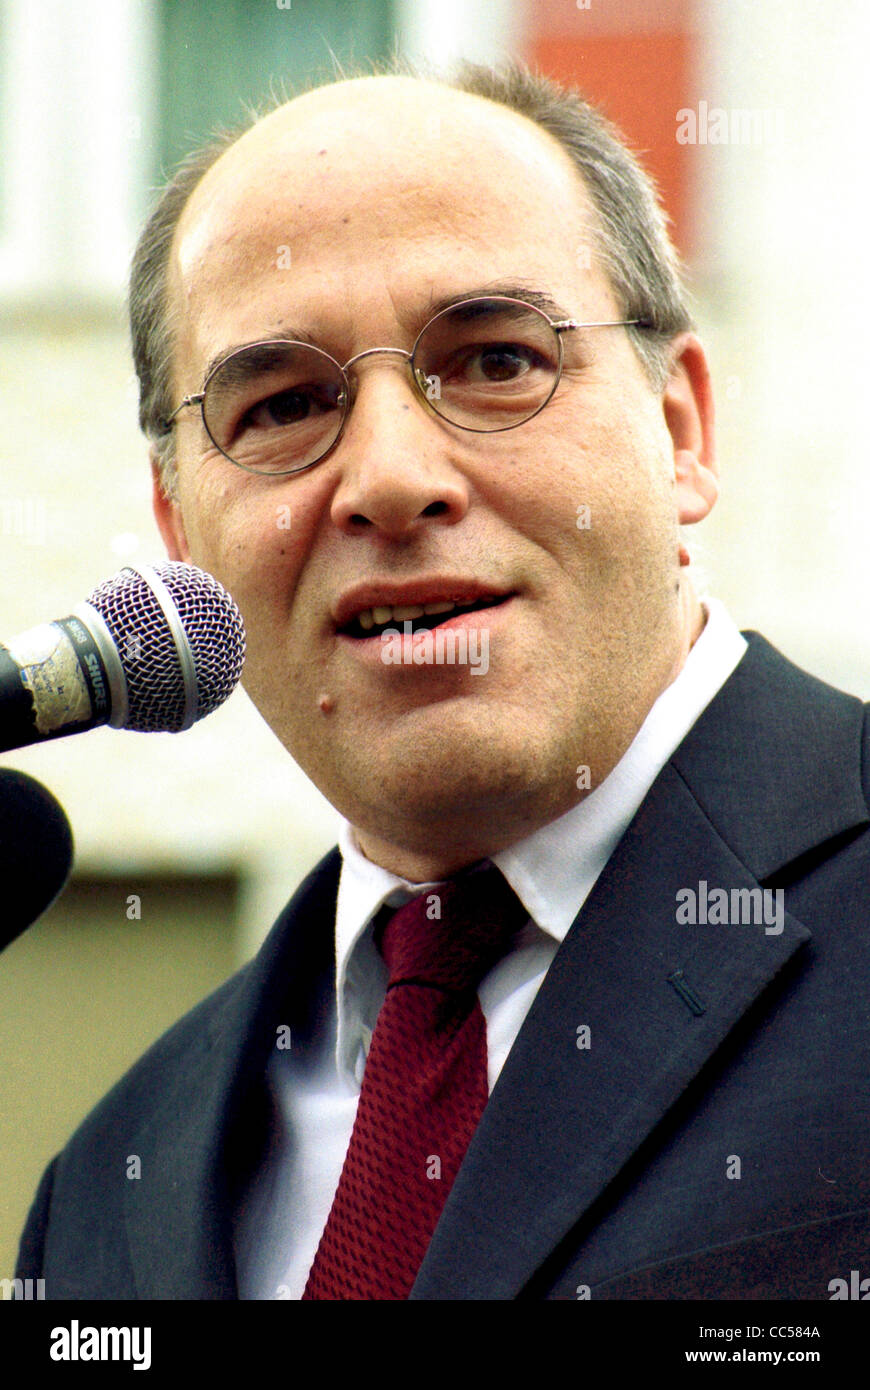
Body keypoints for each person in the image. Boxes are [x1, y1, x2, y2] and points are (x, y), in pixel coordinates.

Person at [16, 60, 870, 1301]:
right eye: (285, 405)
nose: (389, 477)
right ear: (183, 537)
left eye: (494, 361)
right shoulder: (103, 1191)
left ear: (681, 431)